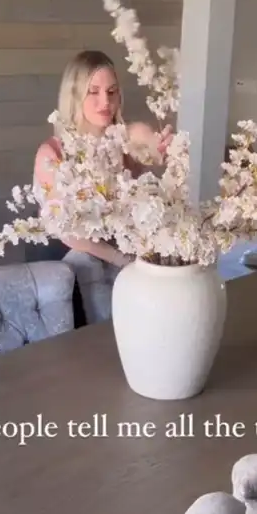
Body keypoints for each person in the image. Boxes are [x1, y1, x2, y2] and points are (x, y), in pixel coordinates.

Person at [27, 50, 172, 325]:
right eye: (93, 92)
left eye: (112, 91)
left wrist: (159, 147)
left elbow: (144, 139)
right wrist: (121, 259)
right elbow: (67, 232)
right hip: (65, 260)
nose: (105, 101)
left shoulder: (123, 139)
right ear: (74, 95)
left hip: (122, 251)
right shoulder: (52, 154)